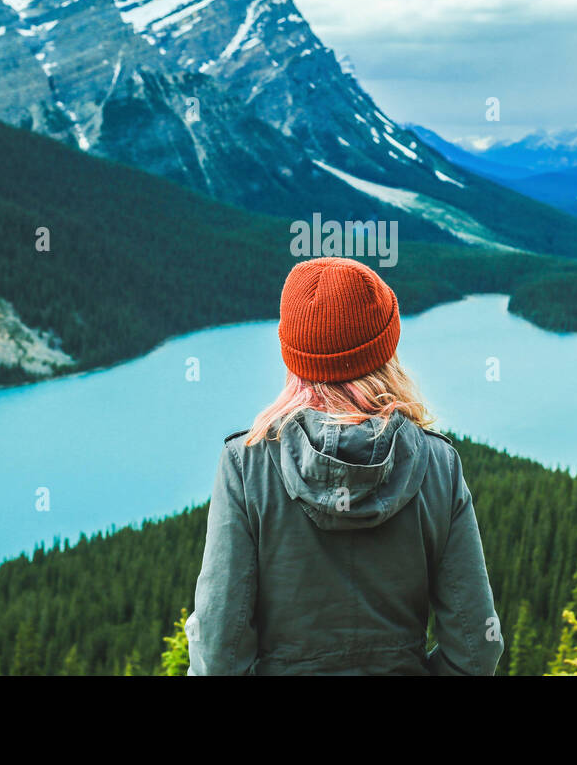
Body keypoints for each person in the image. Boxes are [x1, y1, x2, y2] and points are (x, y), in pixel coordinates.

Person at [186, 256, 503, 675]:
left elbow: (218, 649)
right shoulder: (438, 464)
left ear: (293, 355)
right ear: (386, 348)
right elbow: (475, 648)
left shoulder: (247, 464)